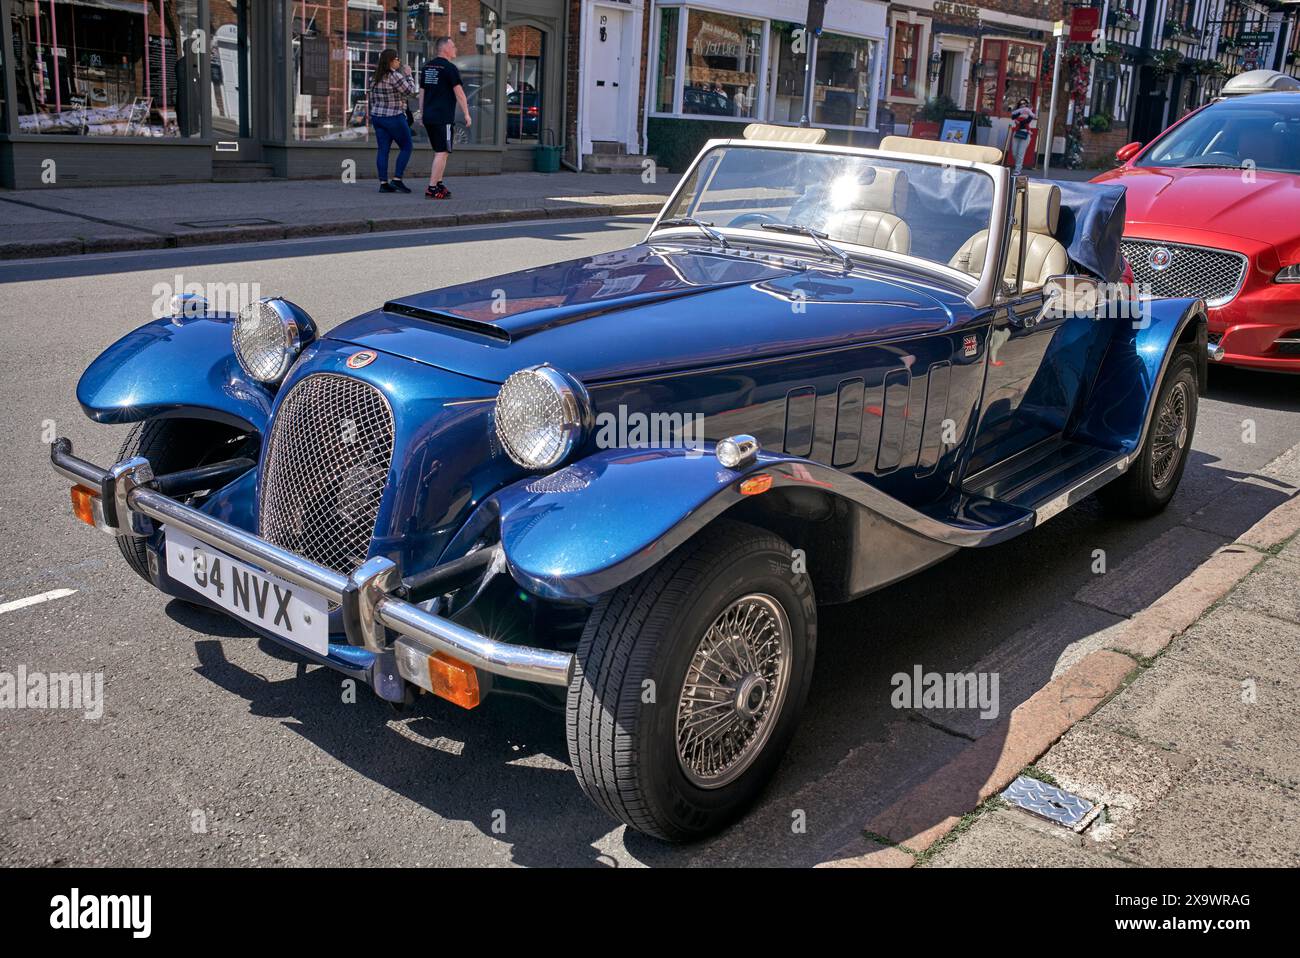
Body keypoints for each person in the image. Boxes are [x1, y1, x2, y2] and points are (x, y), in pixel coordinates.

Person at [420, 36, 472, 199]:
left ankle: (439, 182)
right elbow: (460, 94)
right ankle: (432, 187)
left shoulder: (427, 67)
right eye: (453, 46)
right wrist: (466, 114)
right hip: (443, 117)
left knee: (440, 151)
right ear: (445, 49)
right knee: (442, 151)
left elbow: (422, 93)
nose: (455, 49)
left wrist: (422, 114)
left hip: (429, 116)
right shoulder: (450, 68)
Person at [369, 49, 417, 193]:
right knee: (407, 147)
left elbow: (372, 99)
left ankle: (383, 184)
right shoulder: (395, 76)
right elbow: (411, 92)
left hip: (378, 117)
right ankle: (397, 180)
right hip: (394, 117)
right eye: (397, 59)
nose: (399, 61)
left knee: (383, 150)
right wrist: (409, 75)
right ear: (390, 61)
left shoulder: (374, 77)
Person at [1008, 97, 1036, 176]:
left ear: (1027, 104)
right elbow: (1012, 117)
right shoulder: (1017, 112)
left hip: (1025, 133)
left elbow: (1027, 121)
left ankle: (1017, 170)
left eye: (1024, 103)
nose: (1022, 105)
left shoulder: (1029, 113)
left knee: (1020, 152)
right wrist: (1019, 112)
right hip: (1016, 132)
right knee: (1014, 152)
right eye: (1021, 104)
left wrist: (1019, 121)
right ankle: (1018, 164)